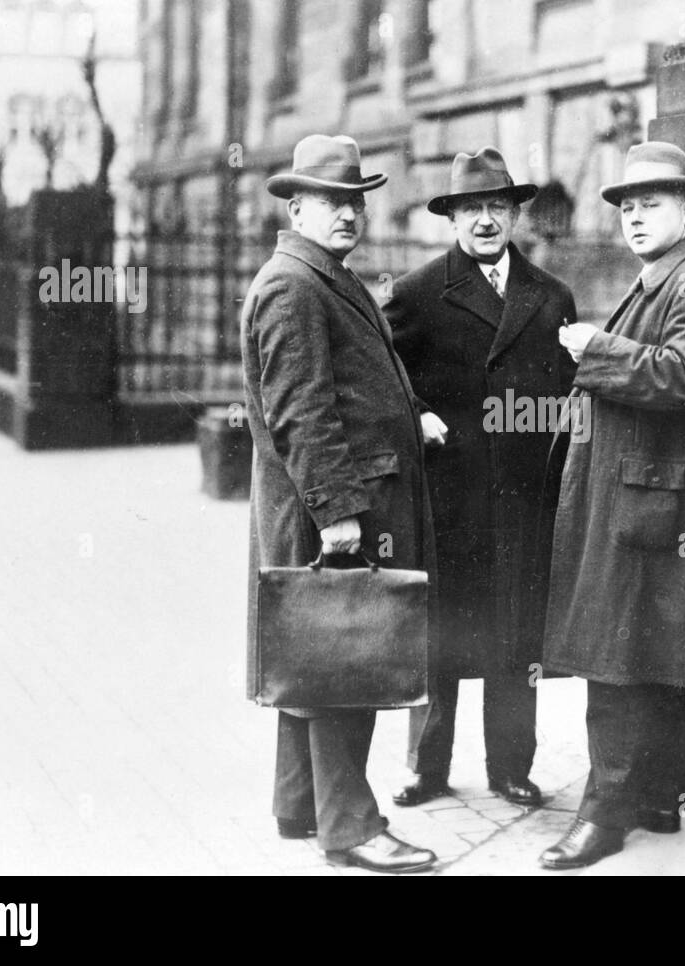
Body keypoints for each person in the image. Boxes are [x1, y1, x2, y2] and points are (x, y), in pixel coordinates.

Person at [538, 141, 685, 869]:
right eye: (628, 207)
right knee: (648, 653)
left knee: (615, 659)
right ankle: (658, 800)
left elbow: (683, 376)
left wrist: (596, 350)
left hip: (654, 503)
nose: (635, 219)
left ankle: (604, 816)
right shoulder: (672, 273)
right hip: (652, 499)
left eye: (651, 204)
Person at [240, 134, 438, 874]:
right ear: (297, 206)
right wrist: (337, 512)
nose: (349, 212)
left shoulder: (323, 276)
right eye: (332, 200)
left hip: (337, 495)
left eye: (356, 199)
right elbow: (302, 411)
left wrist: (409, 411)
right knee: (344, 657)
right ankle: (351, 828)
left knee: (311, 650)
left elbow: (357, 380)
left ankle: (299, 806)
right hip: (333, 503)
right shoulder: (294, 285)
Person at [384, 147, 577, 809]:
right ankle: (426, 767)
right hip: (449, 498)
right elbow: (382, 380)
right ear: (452, 218)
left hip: (523, 500)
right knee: (439, 634)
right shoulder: (415, 294)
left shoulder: (552, 298)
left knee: (513, 634)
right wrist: (419, 416)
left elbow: (568, 396)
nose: (486, 221)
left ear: (516, 212)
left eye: (497, 206)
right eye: (472, 209)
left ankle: (511, 768)